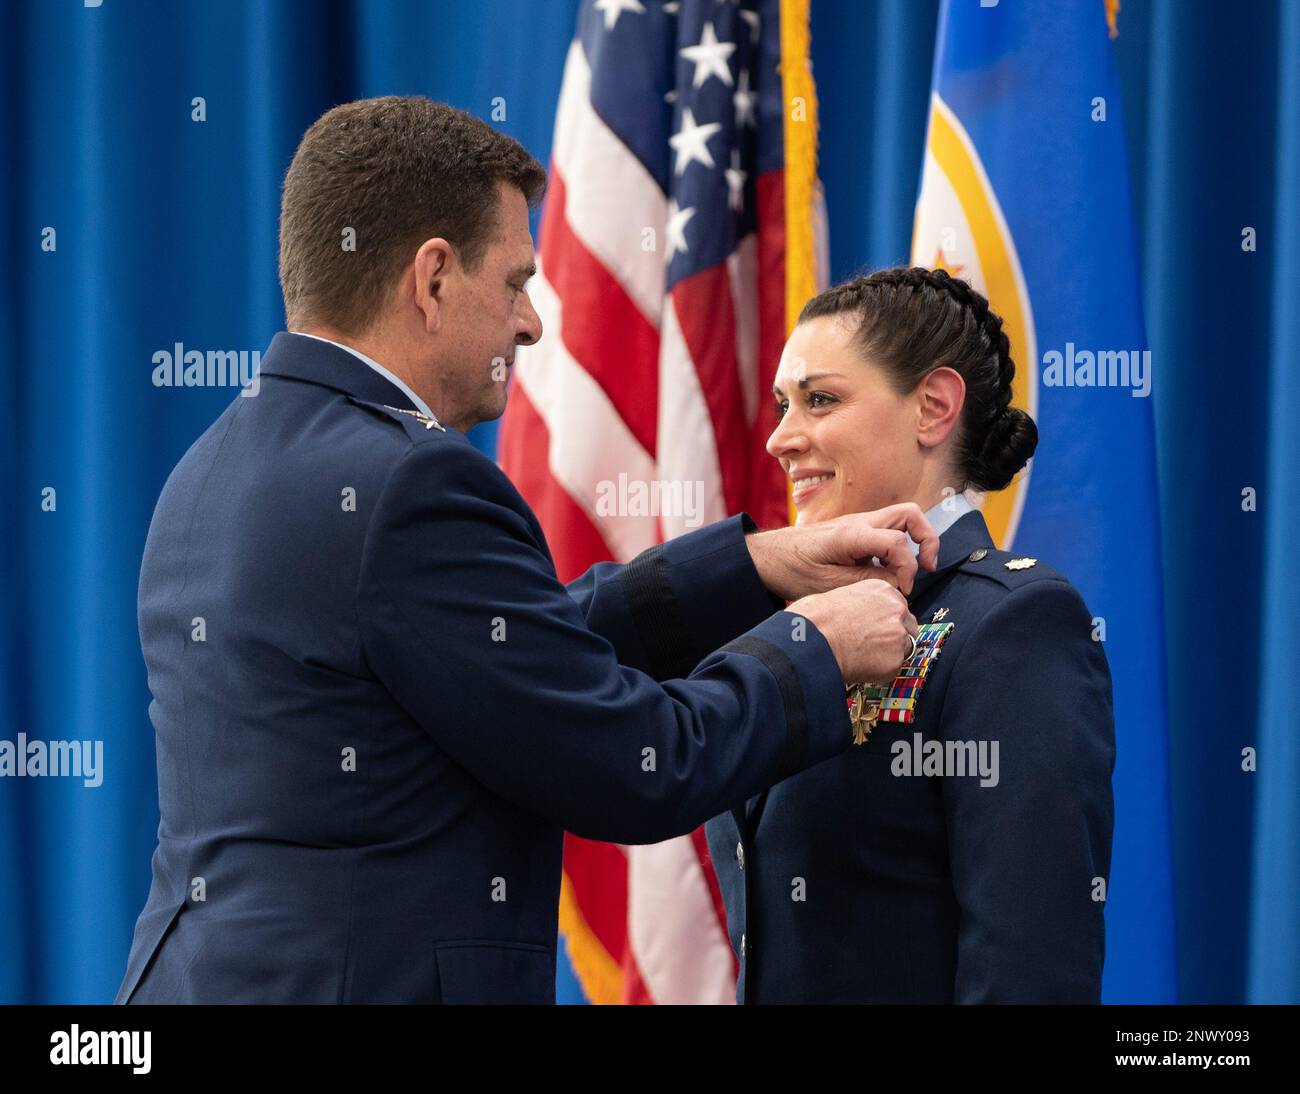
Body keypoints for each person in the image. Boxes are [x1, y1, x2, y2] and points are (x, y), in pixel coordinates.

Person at [114, 98, 937, 1005]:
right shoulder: (411, 483)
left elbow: (491, 651)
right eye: (514, 283)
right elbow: (638, 761)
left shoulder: (206, 471)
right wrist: (815, 648)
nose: (532, 324)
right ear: (433, 278)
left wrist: (752, 567)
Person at [706, 266, 1116, 1004]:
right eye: (782, 405)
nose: (779, 439)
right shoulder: (785, 625)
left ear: (932, 408)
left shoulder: (1013, 625)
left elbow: (1028, 973)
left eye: (820, 400)